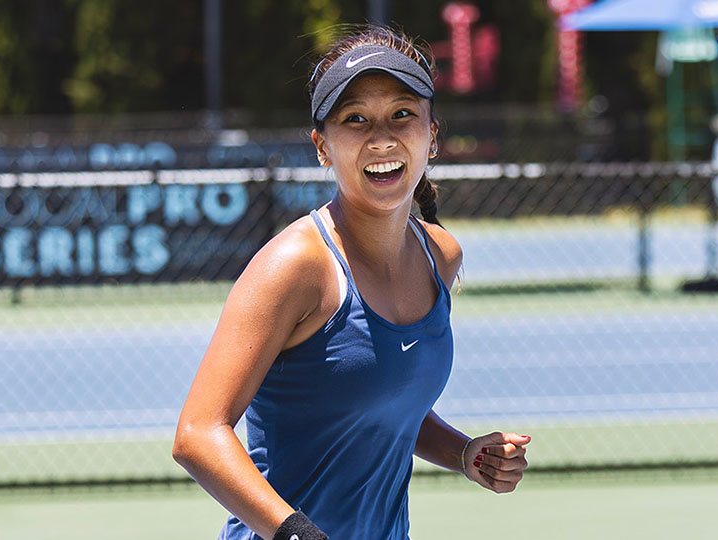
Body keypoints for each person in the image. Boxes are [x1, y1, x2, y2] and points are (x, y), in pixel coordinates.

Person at [172, 26, 530, 540]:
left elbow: (384, 404)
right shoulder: (295, 267)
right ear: (322, 146)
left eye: (402, 114)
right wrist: (297, 534)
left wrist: (464, 453)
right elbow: (197, 434)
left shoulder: (440, 256)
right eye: (355, 119)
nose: (382, 137)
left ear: (431, 134)